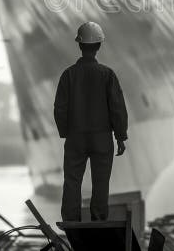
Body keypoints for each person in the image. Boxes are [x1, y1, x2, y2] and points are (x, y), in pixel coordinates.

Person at [54, 21, 129, 221]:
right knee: (101, 182)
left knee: (72, 181)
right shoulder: (107, 74)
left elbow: (60, 108)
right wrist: (120, 136)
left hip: (75, 138)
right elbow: (117, 107)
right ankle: (99, 220)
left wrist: (65, 132)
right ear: (99, 46)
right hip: (102, 139)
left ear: (79, 45)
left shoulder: (68, 75)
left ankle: (71, 221)